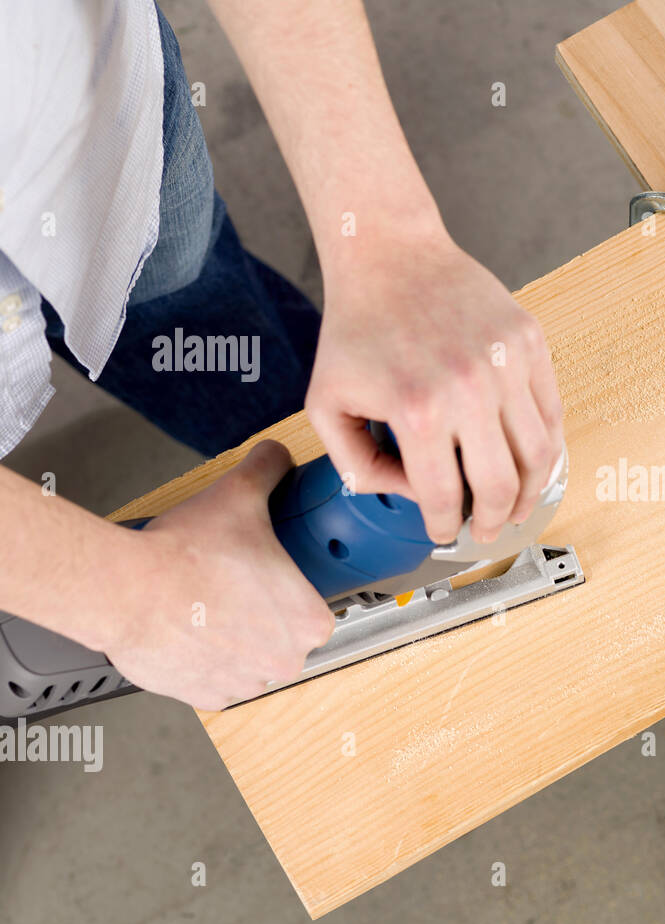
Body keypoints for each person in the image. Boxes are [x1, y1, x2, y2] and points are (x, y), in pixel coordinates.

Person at [0, 1, 564, 711]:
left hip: (88, 122)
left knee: (181, 301)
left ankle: (310, 425)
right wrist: (125, 598)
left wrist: (391, 244)